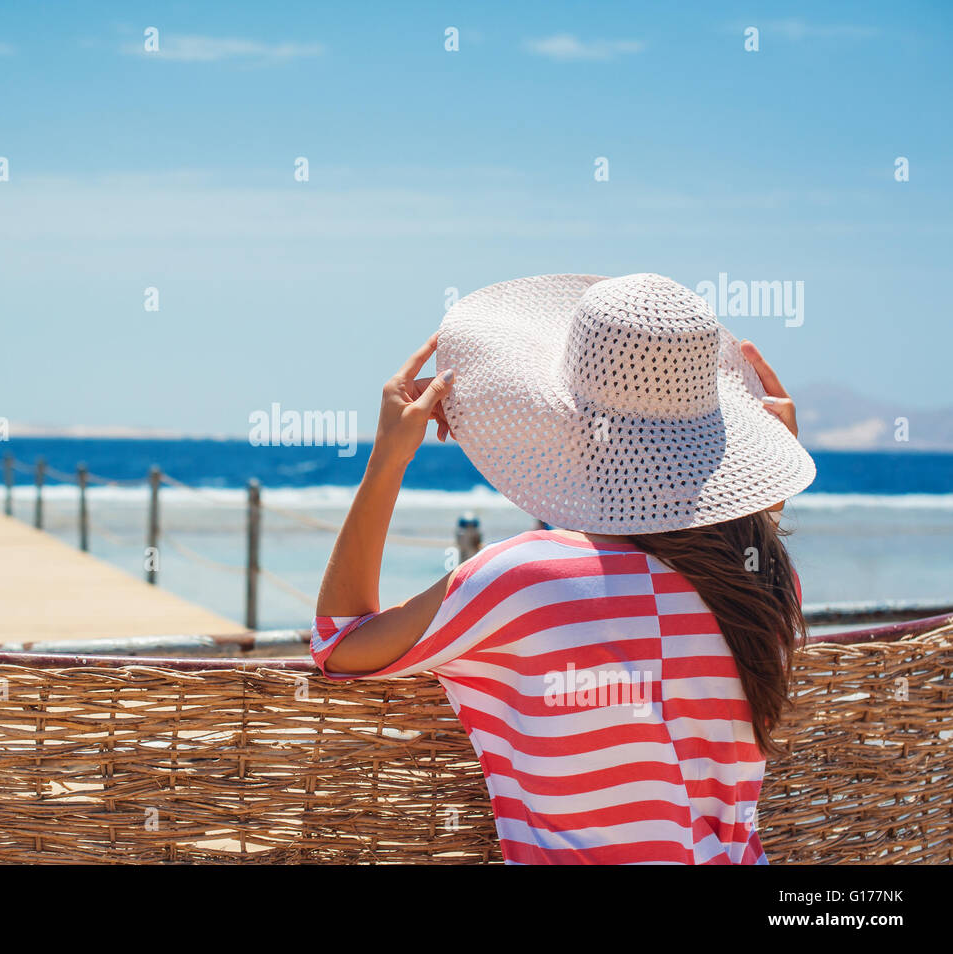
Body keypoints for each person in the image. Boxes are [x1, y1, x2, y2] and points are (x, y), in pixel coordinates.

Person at [313, 273, 815, 864]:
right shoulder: (768, 588)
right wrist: (754, 494)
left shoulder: (528, 581)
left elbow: (337, 641)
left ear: (567, 419)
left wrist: (388, 456)